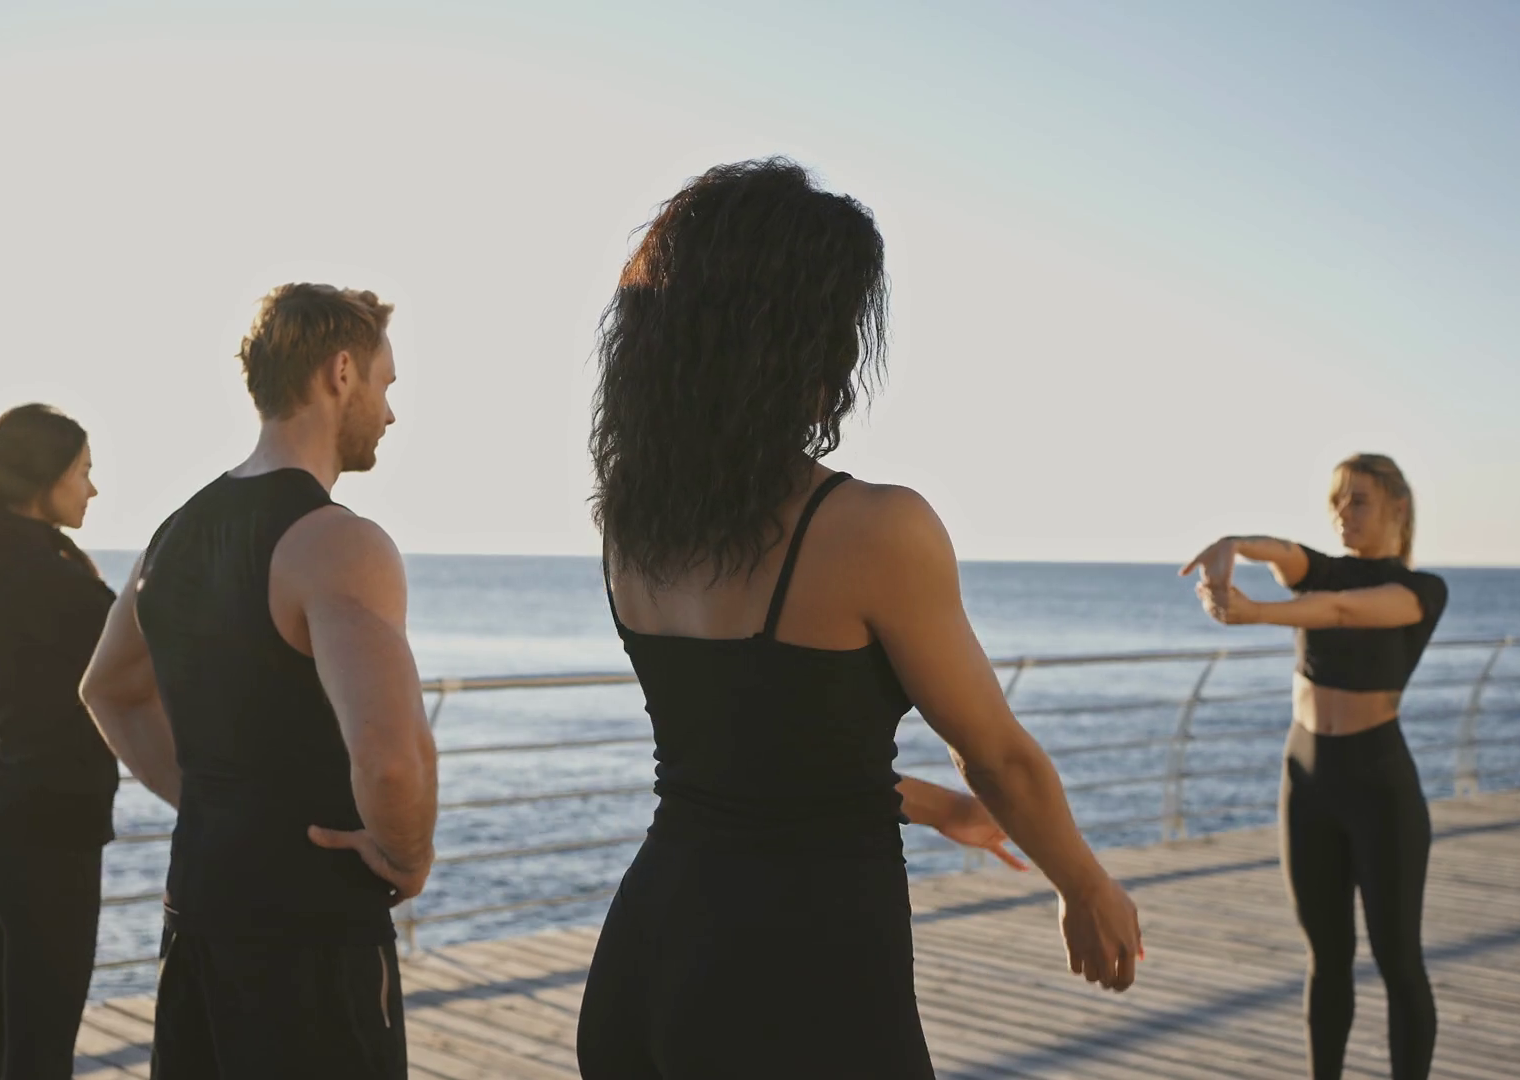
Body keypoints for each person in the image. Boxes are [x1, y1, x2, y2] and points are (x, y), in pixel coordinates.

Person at [576, 158, 1144, 1080]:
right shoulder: (875, 528)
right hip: (802, 976)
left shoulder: (628, 525)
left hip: (649, 956)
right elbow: (998, 752)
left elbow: (745, 768)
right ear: (803, 339)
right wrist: (1085, 885)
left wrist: (940, 809)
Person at [80, 284, 437, 1080]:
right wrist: (408, 855)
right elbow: (391, 759)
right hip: (312, 938)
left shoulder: (170, 539)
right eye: (385, 384)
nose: (389, 410)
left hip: (197, 919)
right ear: (341, 372)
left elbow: (107, 689)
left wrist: (216, 797)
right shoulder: (340, 544)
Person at [1181, 453, 1447, 1080]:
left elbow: (1342, 611)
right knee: (1325, 959)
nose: (1342, 513)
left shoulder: (1420, 591)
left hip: (1379, 786)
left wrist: (1257, 613)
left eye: (1358, 500)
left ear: (1397, 507)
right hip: (1305, 780)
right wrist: (1233, 543)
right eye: (1336, 501)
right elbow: (1287, 555)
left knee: (1397, 961)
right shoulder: (1325, 570)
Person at [0, 404, 115, 1080]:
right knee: (38, 1054)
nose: (92, 489)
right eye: (84, 473)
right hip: (48, 835)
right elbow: (140, 664)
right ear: (46, 480)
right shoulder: (52, 582)